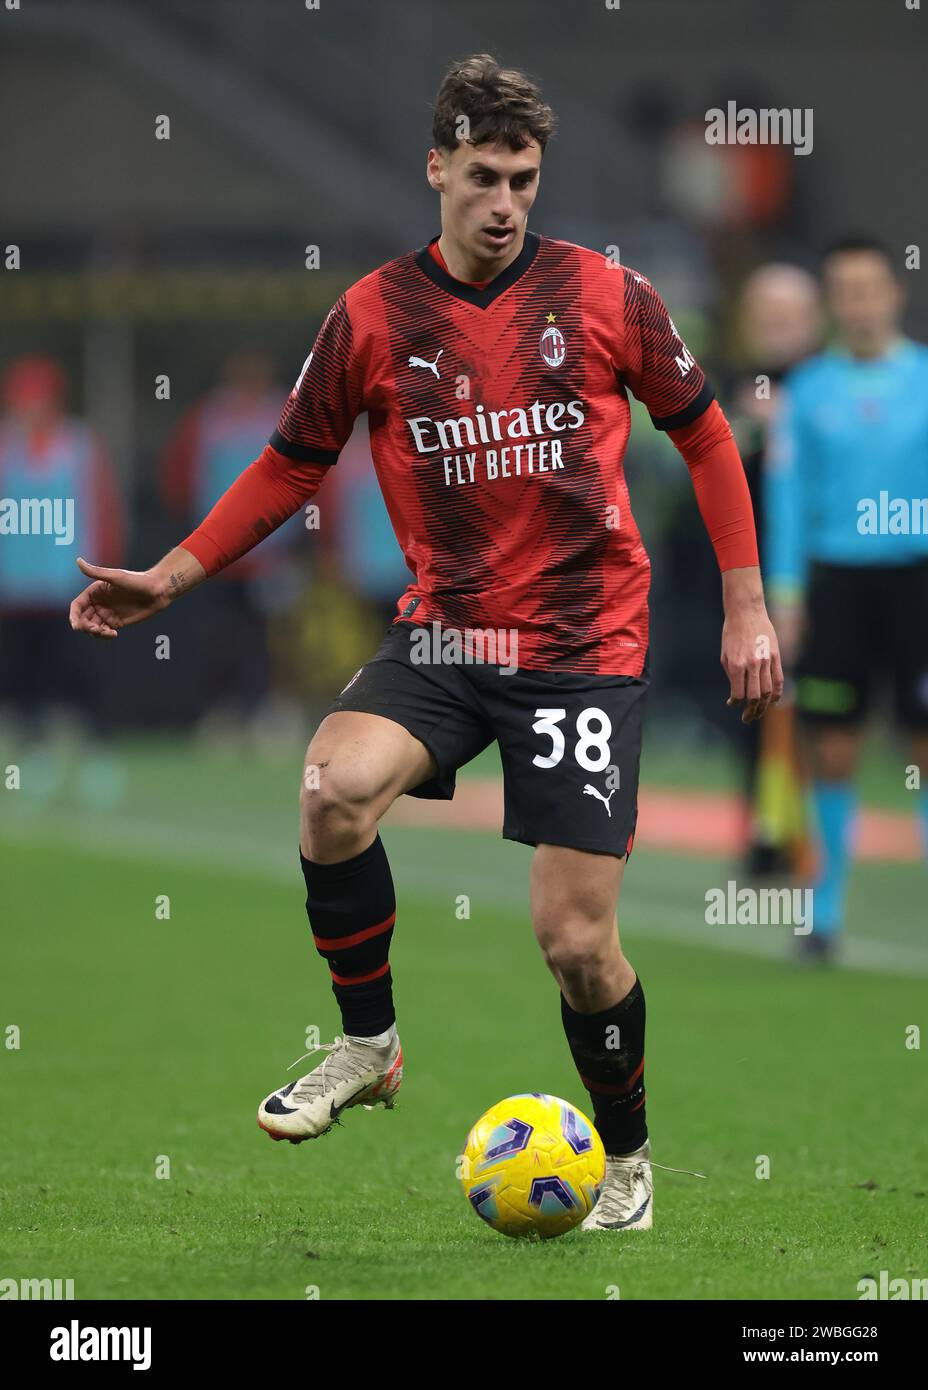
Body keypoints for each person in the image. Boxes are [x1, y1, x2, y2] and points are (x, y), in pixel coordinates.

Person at [69, 55, 781, 1232]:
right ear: (437, 168)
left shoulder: (607, 296)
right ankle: (368, 1042)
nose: (506, 203)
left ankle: (632, 1156)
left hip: (580, 643)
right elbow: (291, 463)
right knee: (329, 789)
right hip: (448, 634)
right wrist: (175, 575)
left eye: (527, 180)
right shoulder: (369, 316)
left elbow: (705, 435)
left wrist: (748, 605)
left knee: (574, 943)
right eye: (486, 177)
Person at [765, 237, 928, 961]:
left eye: (871, 288)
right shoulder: (805, 392)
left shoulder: (925, 380)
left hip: (916, 580)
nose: (859, 303)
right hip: (834, 584)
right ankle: (823, 910)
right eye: (845, 290)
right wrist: (786, 594)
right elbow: (786, 497)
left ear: (895, 294)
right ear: (831, 302)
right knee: (831, 748)